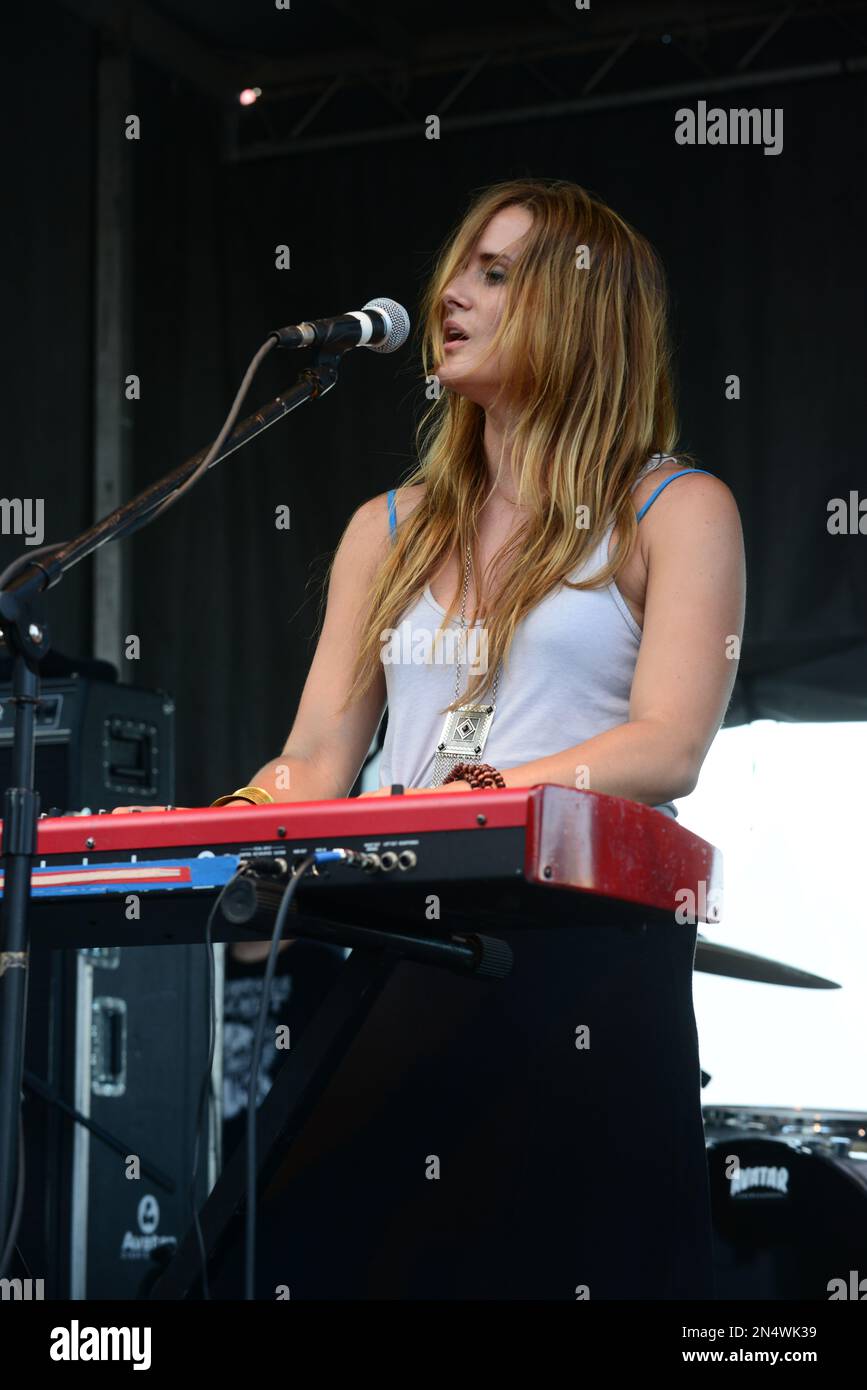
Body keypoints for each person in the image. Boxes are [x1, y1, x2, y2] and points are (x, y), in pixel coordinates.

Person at [118, 179, 746, 1297]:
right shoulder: (390, 524)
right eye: (459, 266)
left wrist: (483, 794)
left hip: (577, 953)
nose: (451, 293)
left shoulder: (676, 507)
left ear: (582, 309)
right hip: (393, 942)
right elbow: (314, 760)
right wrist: (187, 831)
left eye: (496, 273)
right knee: (291, 1260)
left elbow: (667, 746)